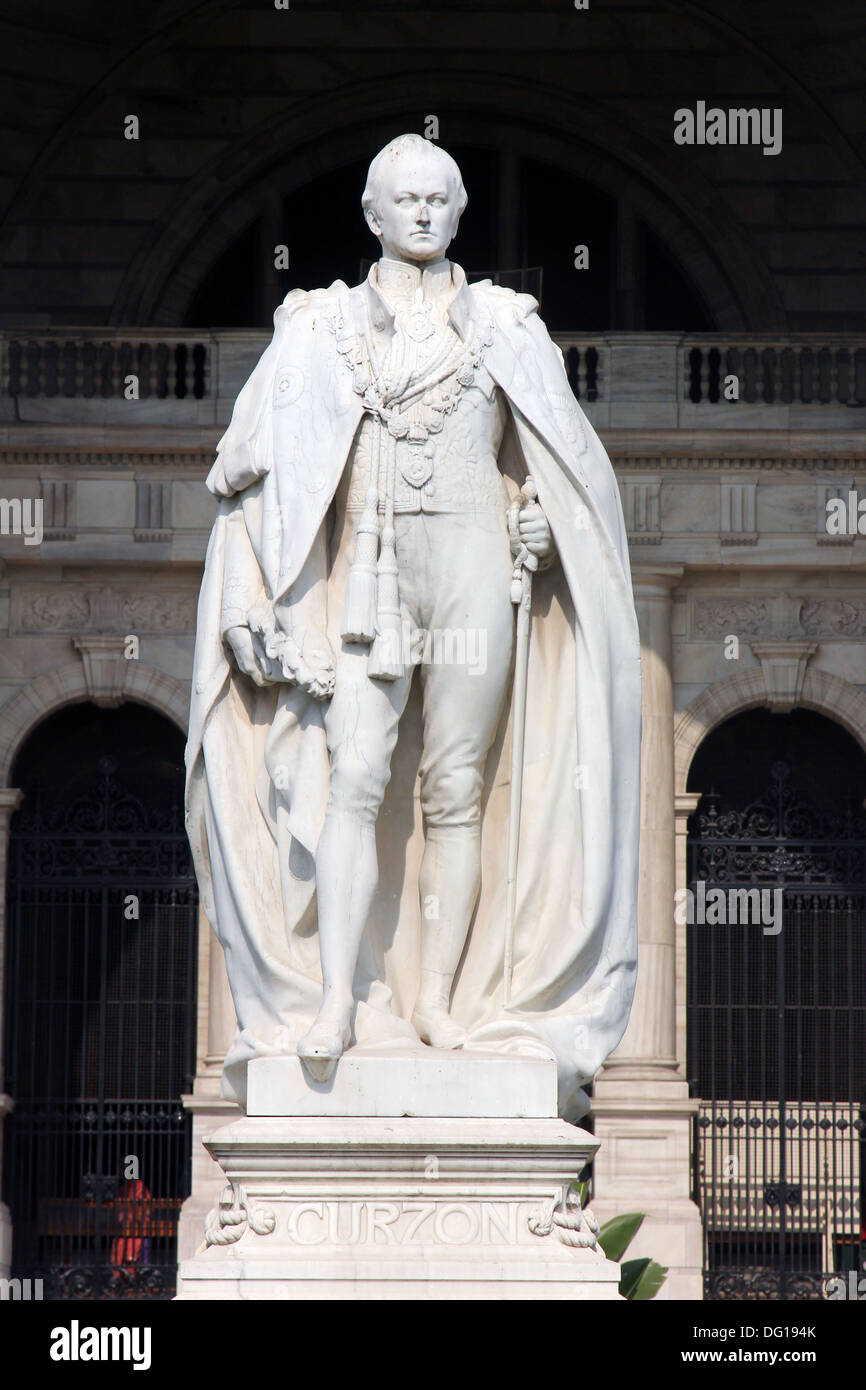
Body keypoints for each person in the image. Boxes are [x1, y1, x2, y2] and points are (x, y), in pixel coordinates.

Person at [186, 135, 641, 1118]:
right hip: (367, 575)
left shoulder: (510, 326)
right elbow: (245, 478)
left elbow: (569, 472)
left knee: (454, 788)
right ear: (371, 214)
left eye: (439, 197)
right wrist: (247, 598)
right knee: (352, 775)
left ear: (459, 208)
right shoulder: (314, 329)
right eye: (406, 199)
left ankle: (437, 999)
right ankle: (340, 1003)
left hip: (474, 568)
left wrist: (542, 521)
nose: (424, 214)